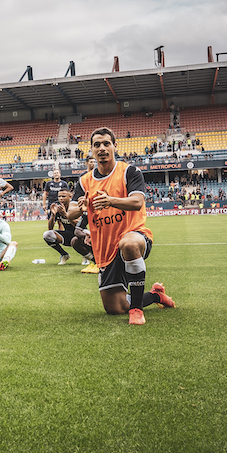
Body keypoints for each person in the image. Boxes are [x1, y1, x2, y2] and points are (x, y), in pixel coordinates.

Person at [66, 127, 175, 326]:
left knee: (129, 243)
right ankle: (156, 295)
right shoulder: (84, 181)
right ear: (91, 150)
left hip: (135, 235)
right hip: (105, 248)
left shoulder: (129, 172)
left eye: (106, 143)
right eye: (97, 145)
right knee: (115, 308)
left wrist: (110, 201)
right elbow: (70, 213)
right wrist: (80, 208)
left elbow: (136, 202)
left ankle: (137, 311)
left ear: (115, 146)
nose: (102, 148)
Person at [42, 190, 81, 266]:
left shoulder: (75, 207)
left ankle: (85, 256)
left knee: (82, 233)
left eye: (63, 196)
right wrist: (53, 215)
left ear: (70, 197)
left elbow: (80, 225)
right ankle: (64, 254)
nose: (61, 198)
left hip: (80, 236)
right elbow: (50, 228)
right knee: (47, 235)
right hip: (67, 236)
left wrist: (66, 215)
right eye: (59, 196)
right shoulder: (58, 208)